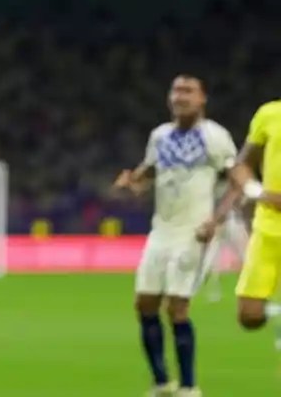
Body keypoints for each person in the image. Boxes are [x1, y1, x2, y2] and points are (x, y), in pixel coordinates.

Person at [113, 75, 236, 397]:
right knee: (144, 303)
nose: (181, 97)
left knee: (177, 308)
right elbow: (149, 172)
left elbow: (236, 182)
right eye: (177, 91)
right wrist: (132, 182)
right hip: (161, 230)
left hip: (194, 231)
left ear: (202, 98)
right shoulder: (160, 136)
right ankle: (161, 382)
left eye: (188, 91)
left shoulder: (215, 137)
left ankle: (189, 386)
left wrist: (216, 220)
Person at [208, 99, 281, 348]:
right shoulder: (269, 114)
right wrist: (256, 191)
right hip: (268, 228)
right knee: (249, 315)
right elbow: (242, 165)